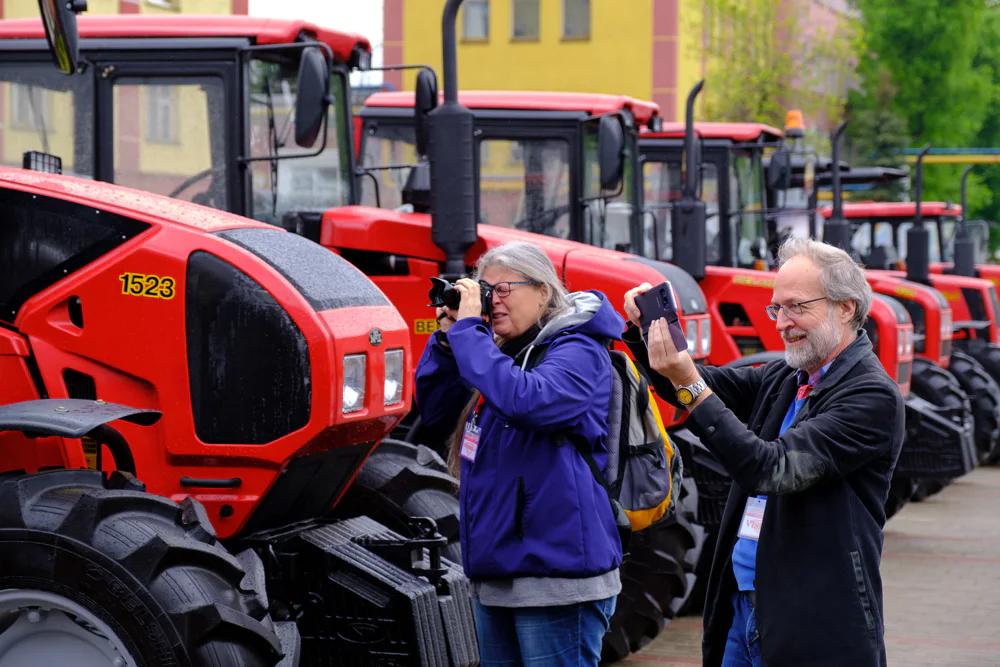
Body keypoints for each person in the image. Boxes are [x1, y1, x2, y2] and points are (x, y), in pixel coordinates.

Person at [624, 238, 904, 667]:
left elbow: (772, 468)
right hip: (744, 606)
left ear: (845, 308)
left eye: (796, 307)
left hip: (812, 618)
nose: (781, 323)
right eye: (777, 308)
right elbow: (704, 384)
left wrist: (690, 386)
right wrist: (649, 339)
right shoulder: (790, 377)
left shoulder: (870, 396)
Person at [415, 241, 624, 666]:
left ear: (543, 291)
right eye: (485, 290)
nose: (492, 301)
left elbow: (530, 401)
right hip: (497, 573)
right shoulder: (497, 354)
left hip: (557, 577)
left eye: (503, 289)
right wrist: (445, 342)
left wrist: (471, 336)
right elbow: (434, 415)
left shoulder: (579, 349)